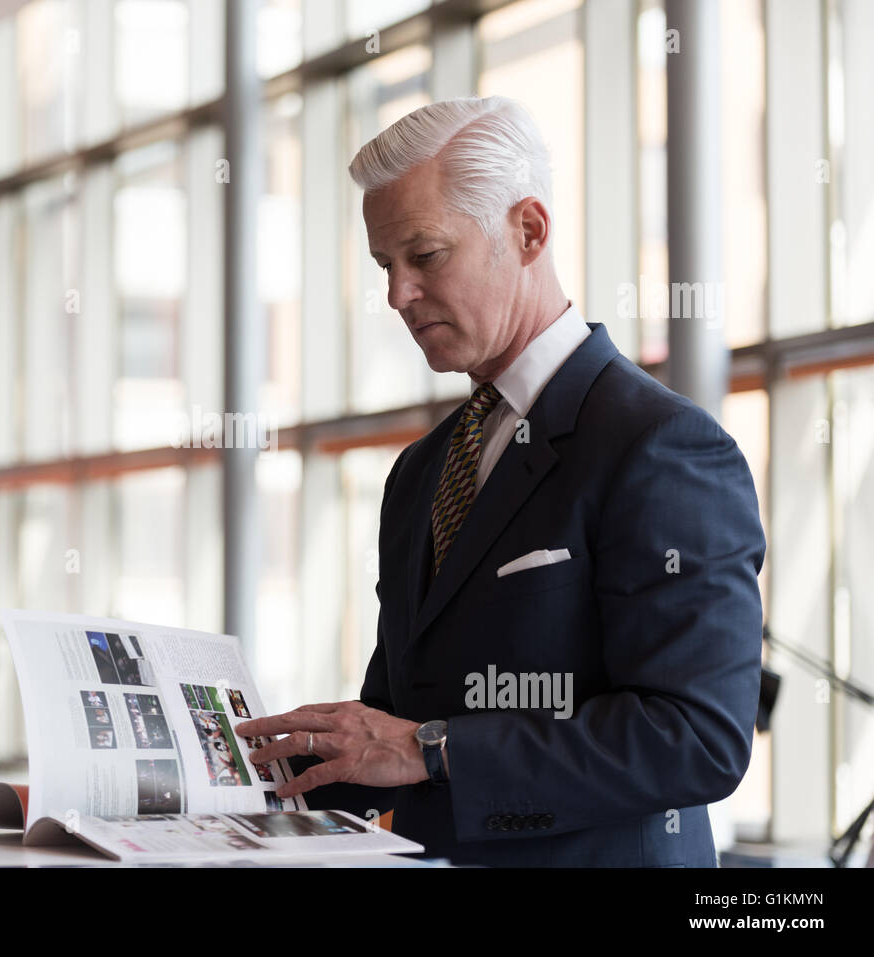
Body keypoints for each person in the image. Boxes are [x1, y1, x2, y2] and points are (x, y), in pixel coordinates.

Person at [236, 95, 767, 867]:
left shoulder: (661, 446)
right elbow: (395, 733)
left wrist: (433, 747)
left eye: (425, 255)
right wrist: (216, 782)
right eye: (386, 265)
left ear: (529, 231)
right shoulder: (422, 470)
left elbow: (698, 738)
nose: (397, 295)